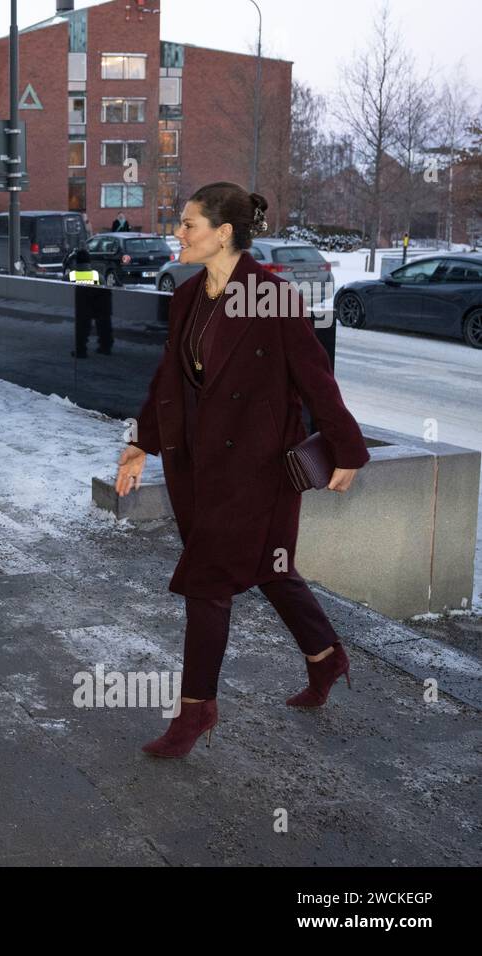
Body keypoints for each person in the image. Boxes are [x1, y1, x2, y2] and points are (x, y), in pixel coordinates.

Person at [115, 182, 369, 757]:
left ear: (223, 233)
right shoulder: (186, 297)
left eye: (188, 224)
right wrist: (141, 443)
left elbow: (315, 377)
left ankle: (196, 710)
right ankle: (326, 656)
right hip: (199, 467)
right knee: (271, 569)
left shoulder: (272, 296)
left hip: (258, 471)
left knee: (207, 583)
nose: (177, 234)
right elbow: (168, 382)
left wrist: (346, 446)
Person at [67, 247, 112, 358]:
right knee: (103, 323)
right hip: (99, 305)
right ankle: (105, 346)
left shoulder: (70, 277)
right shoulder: (98, 276)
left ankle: (81, 350)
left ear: (77, 262)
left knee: (81, 325)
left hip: (82, 308)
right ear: (89, 261)